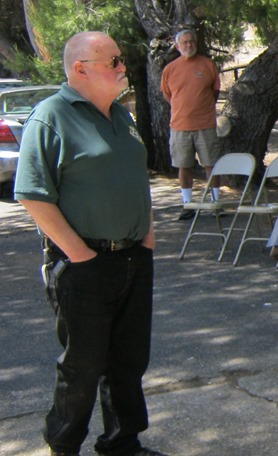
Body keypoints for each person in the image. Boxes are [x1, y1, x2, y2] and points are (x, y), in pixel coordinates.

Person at [14, 31, 163, 456]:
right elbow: (31, 194)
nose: (122, 67)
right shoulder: (52, 115)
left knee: (128, 361)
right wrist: (79, 254)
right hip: (83, 264)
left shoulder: (122, 117)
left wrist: (147, 237)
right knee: (82, 365)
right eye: (113, 60)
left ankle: (122, 442)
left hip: (134, 257)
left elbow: (135, 180)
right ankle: (63, 445)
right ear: (81, 68)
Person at [160, 28, 221, 220]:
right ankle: (187, 204)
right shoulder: (170, 69)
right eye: (185, 43)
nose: (189, 45)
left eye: (191, 42)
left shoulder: (208, 65)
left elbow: (215, 92)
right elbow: (168, 95)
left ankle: (216, 203)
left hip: (205, 124)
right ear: (178, 46)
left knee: (211, 164)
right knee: (183, 166)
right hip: (180, 126)